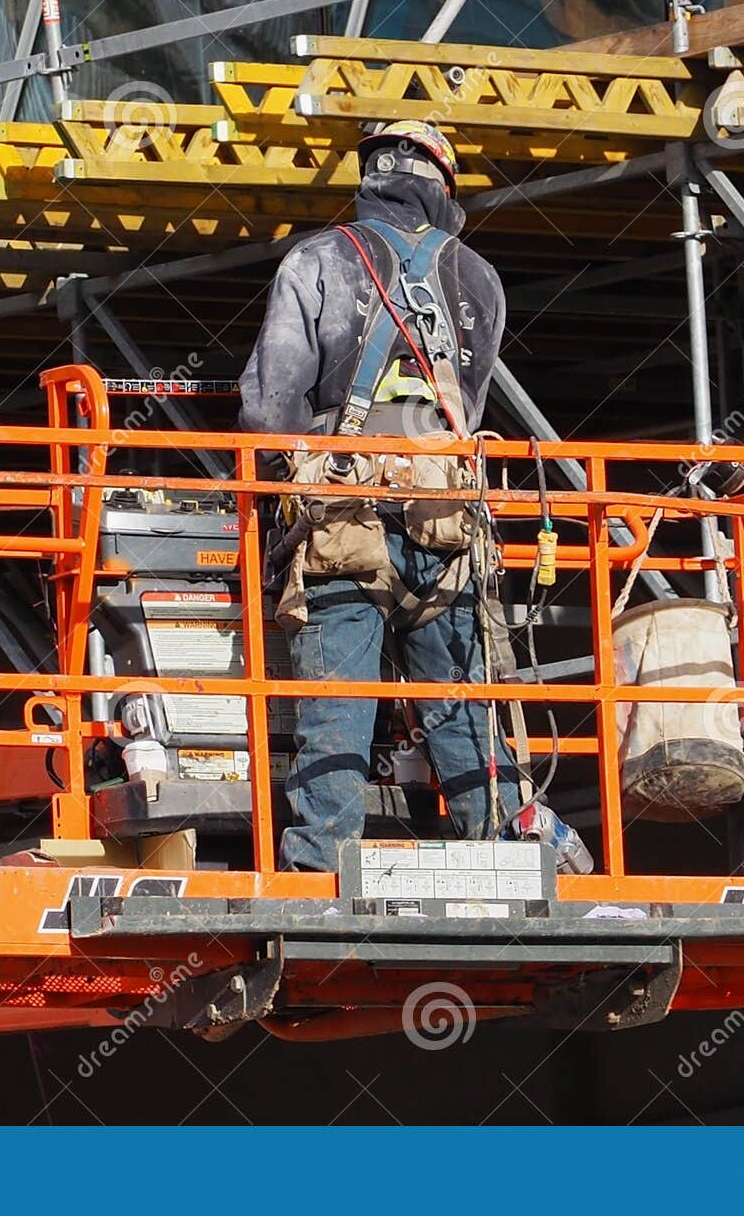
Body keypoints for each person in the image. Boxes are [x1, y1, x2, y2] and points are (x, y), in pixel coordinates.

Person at [240, 121, 593, 876]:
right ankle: (503, 859)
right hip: (447, 519)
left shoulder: (320, 260)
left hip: (344, 518)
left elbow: (270, 410)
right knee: (463, 708)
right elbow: (468, 406)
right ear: (442, 184)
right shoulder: (480, 278)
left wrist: (289, 479)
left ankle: (321, 876)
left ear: (369, 177)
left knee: (338, 711)